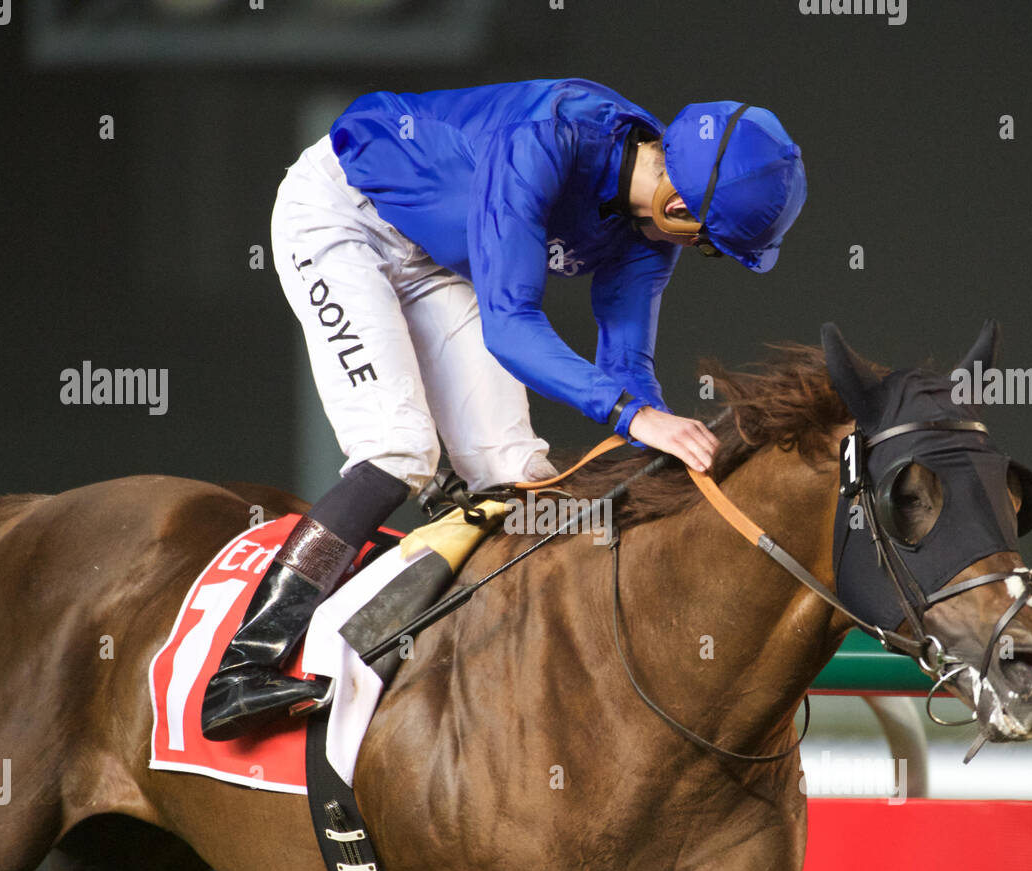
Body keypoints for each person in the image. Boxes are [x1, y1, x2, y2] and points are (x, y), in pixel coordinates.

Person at [201, 77, 807, 740]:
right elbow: (511, 326)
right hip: (343, 213)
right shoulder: (550, 131)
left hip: (437, 257)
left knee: (516, 474)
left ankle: (446, 656)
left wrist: (665, 456)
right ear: (684, 205)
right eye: (714, 240)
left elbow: (626, 371)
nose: (705, 251)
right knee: (398, 450)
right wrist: (636, 418)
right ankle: (244, 667)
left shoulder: (649, 235)